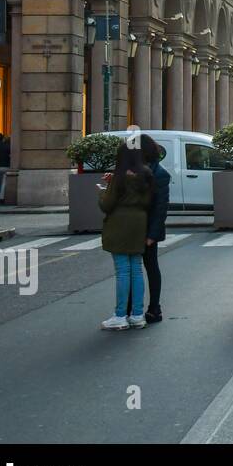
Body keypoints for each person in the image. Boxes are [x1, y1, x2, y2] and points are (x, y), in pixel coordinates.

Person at [98, 141, 155, 331]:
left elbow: (107, 204)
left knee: (122, 270)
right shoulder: (146, 174)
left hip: (120, 223)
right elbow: (149, 200)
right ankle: (138, 314)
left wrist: (102, 191)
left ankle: (120, 315)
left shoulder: (120, 177)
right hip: (139, 222)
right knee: (136, 269)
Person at [136, 134, 172, 323]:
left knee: (151, 268)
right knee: (134, 269)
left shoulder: (159, 174)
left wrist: (152, 234)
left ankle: (154, 308)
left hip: (147, 228)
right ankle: (133, 309)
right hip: (133, 229)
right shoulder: (133, 170)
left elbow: (161, 208)